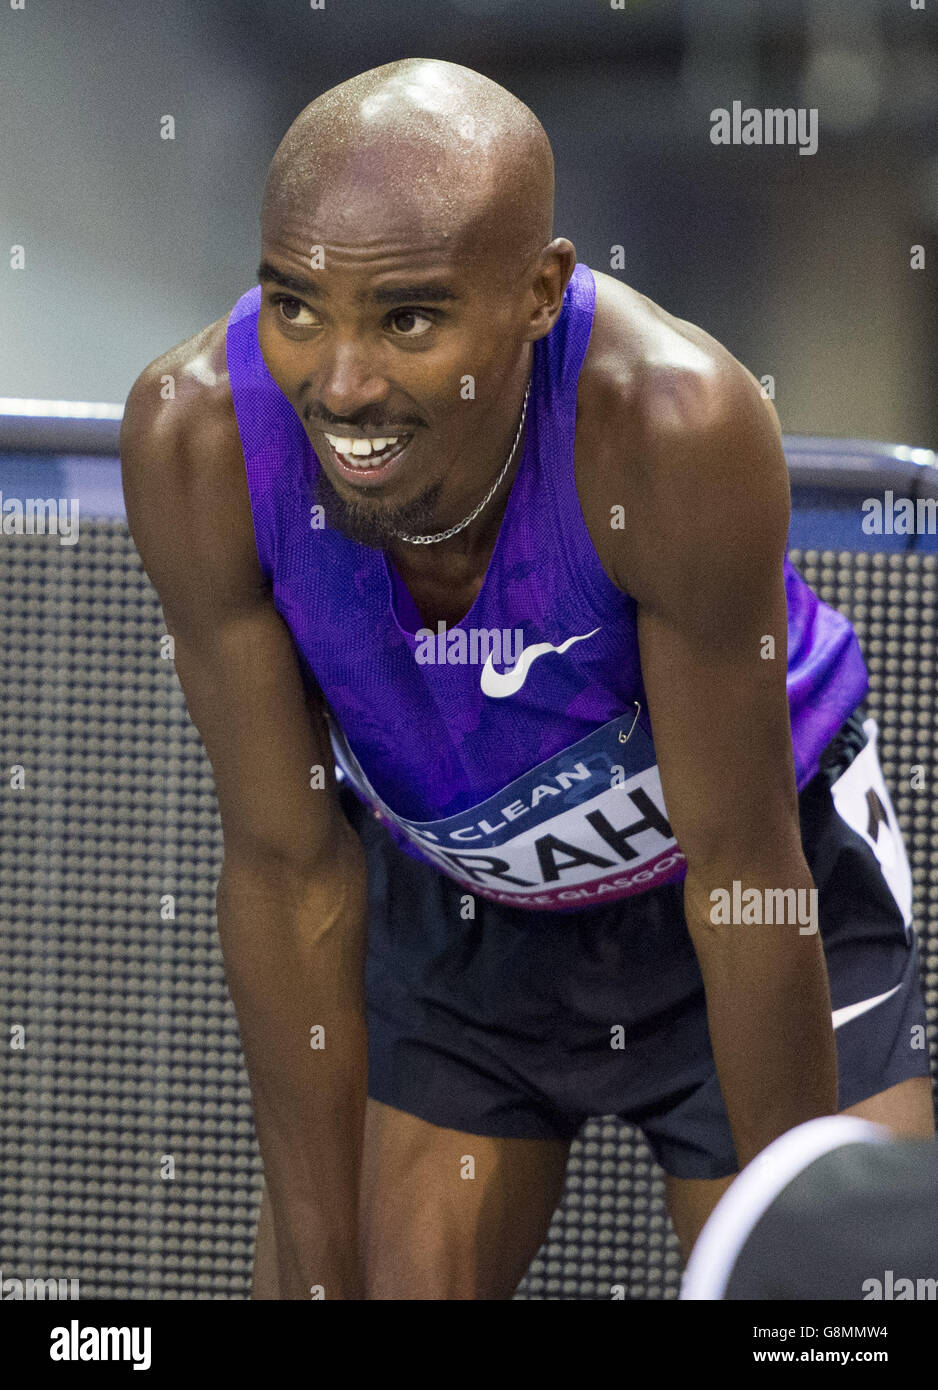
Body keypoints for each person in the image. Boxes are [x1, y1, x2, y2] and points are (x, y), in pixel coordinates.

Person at [119, 58, 935, 1300]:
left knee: (836, 1311)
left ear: (541, 292)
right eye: (294, 305)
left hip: (752, 885)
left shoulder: (672, 425)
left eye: (406, 319)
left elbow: (740, 867)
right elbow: (289, 874)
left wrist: (792, 1259)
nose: (338, 385)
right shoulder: (199, 442)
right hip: (462, 912)